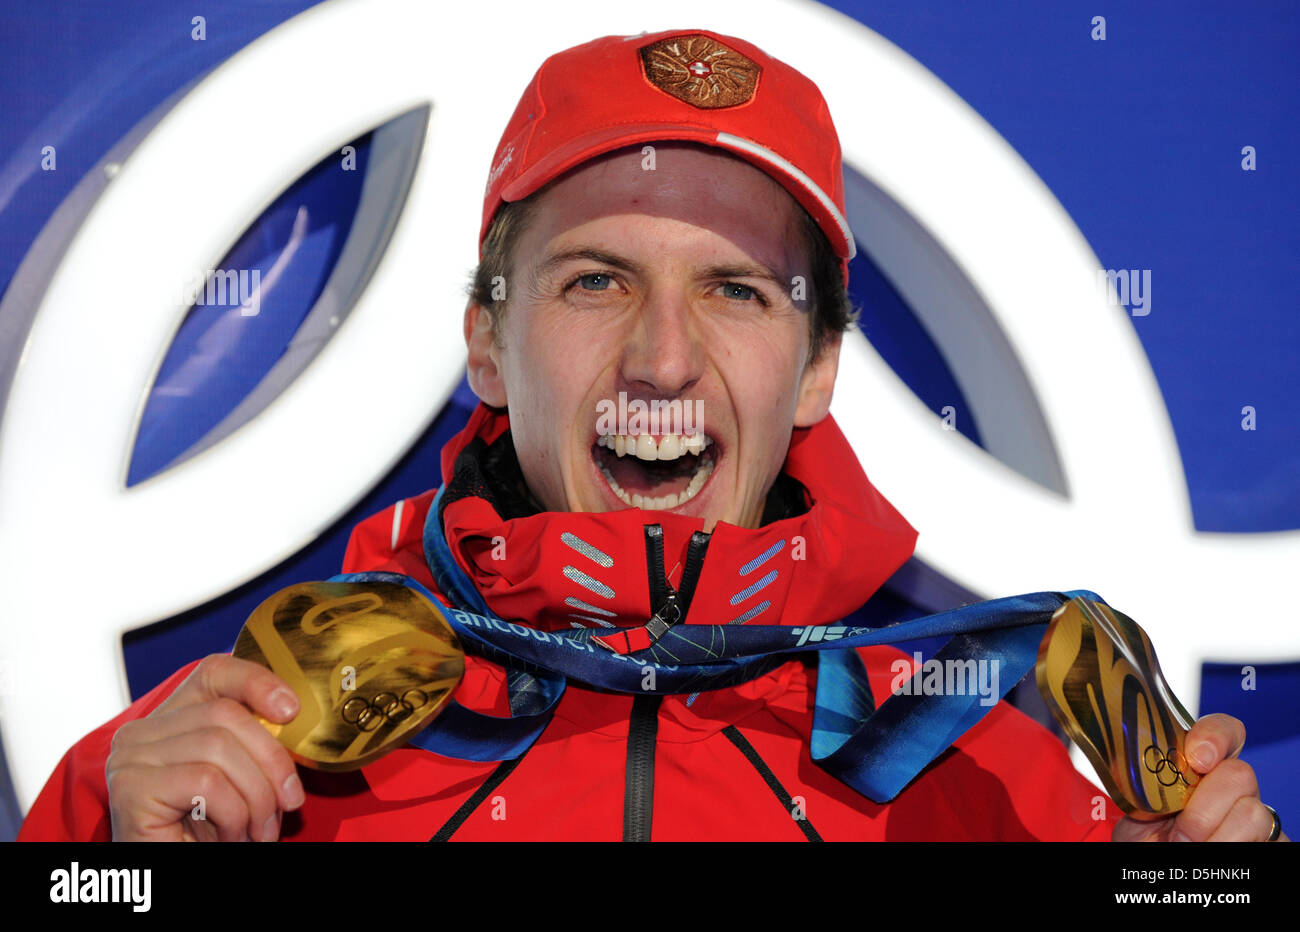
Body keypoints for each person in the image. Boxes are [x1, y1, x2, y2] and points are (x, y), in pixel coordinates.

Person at [18, 28, 1282, 842]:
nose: (663, 358)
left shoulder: (1003, 777)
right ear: (482, 344)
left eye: (735, 290)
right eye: (594, 280)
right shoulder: (259, 726)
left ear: (818, 368)